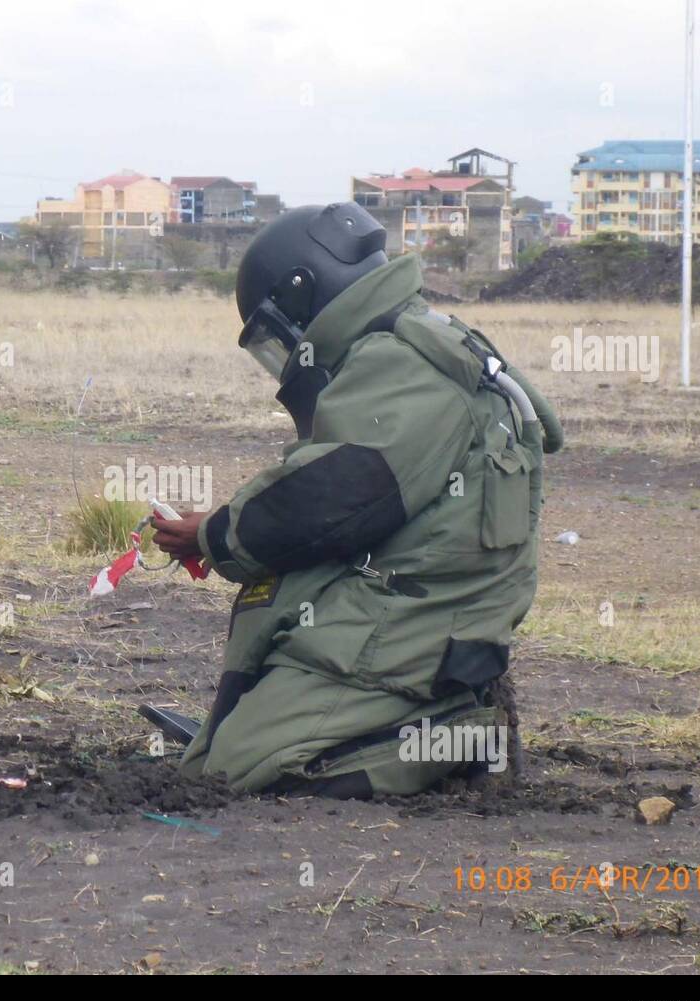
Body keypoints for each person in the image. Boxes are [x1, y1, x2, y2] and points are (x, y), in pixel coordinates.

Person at [152, 202, 563, 797]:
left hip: (408, 626)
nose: (283, 355)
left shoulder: (400, 362)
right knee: (236, 723)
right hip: (431, 611)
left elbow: (330, 499)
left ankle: (460, 735)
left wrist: (215, 535)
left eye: (275, 336)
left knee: (234, 773)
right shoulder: (424, 340)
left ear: (302, 295)